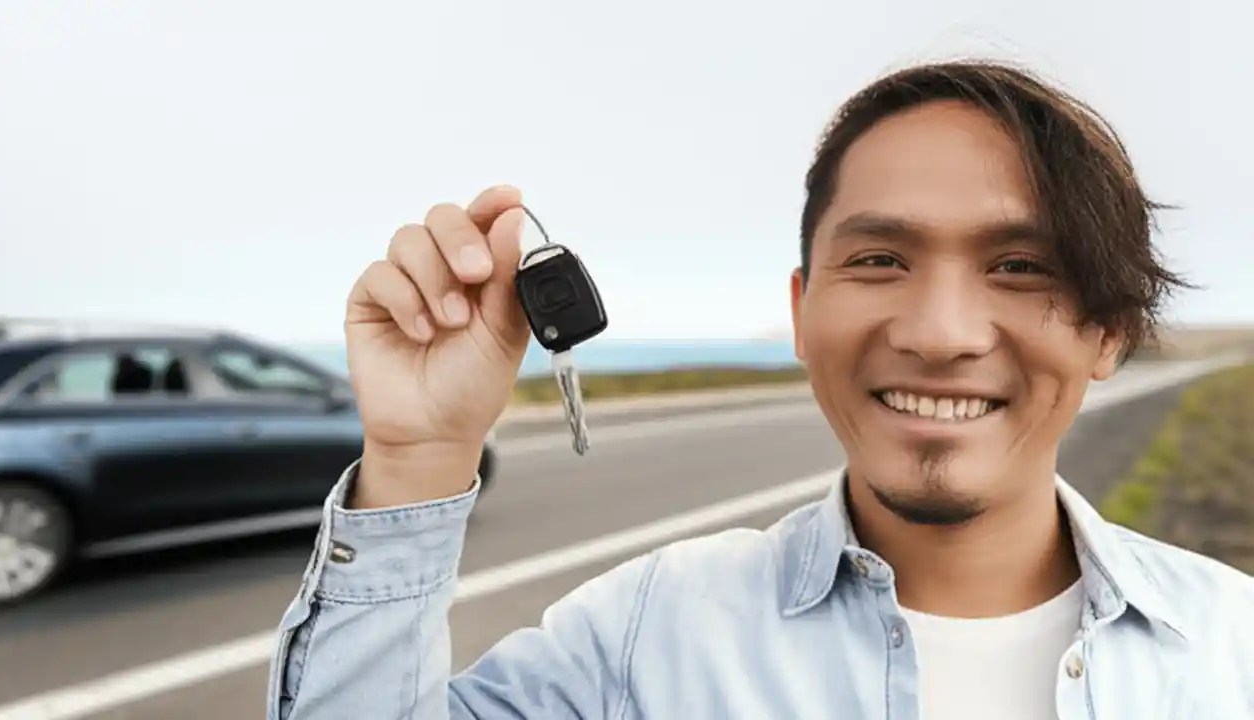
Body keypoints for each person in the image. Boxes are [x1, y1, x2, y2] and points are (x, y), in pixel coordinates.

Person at [266, 60, 1253, 720]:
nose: (939, 333)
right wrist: (418, 458)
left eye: (1019, 268)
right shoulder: (643, 638)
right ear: (800, 309)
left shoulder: (1231, 650)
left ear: (1109, 332)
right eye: (878, 259)